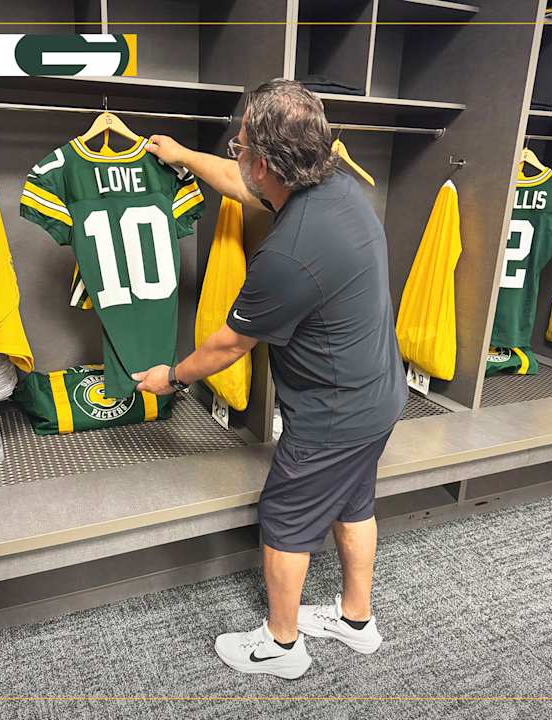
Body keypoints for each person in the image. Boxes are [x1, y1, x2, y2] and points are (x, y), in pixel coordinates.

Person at [136, 79, 407, 680]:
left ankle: (280, 647)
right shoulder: (336, 183)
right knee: (353, 500)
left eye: (241, 143)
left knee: (285, 516)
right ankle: (357, 622)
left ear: (265, 160)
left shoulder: (287, 255)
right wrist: (182, 156)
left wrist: (171, 377)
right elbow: (244, 184)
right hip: (378, 396)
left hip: (332, 415)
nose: (234, 150)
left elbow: (230, 344)